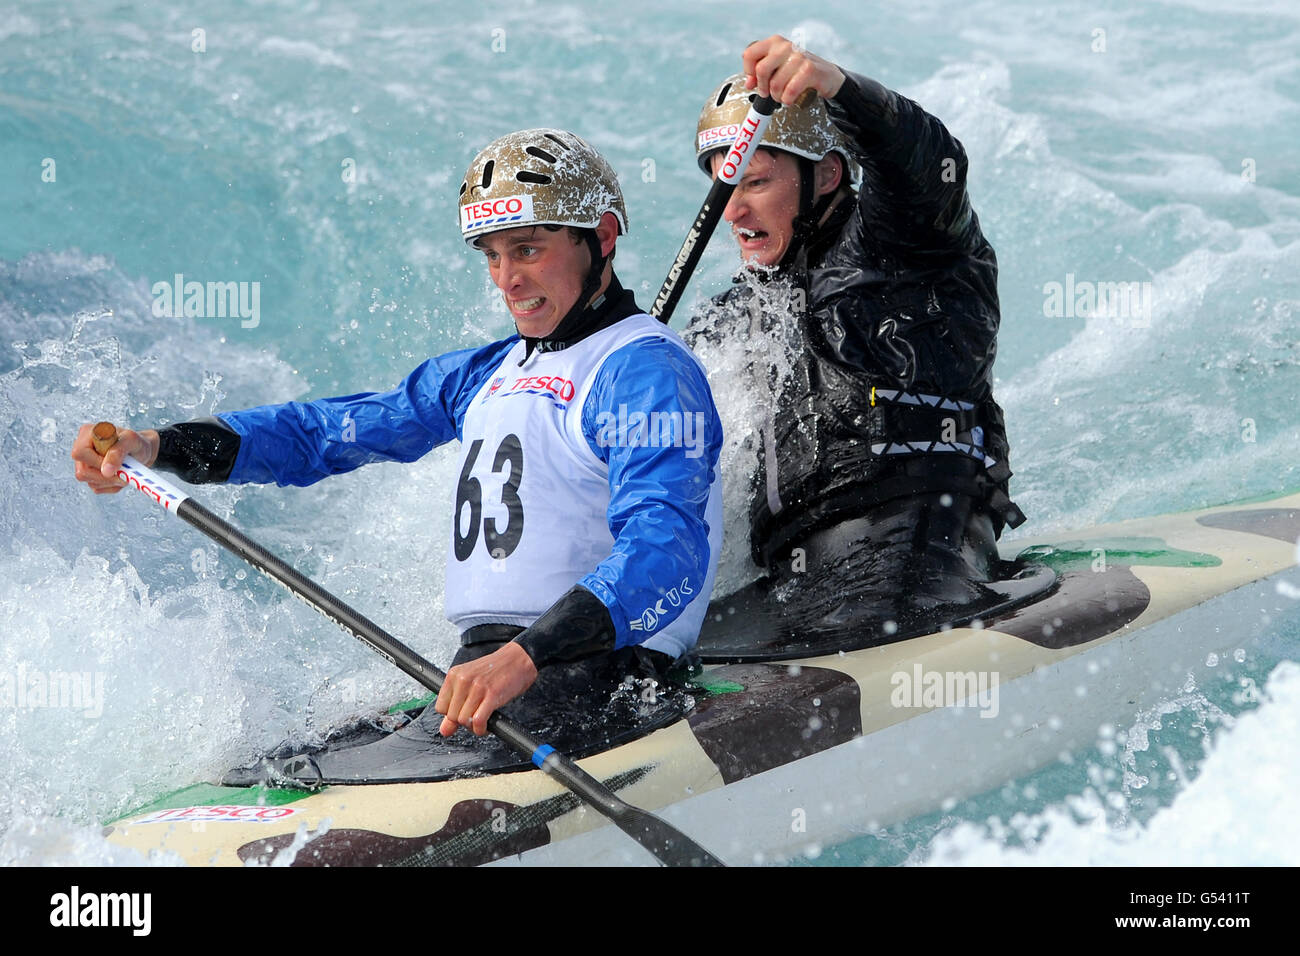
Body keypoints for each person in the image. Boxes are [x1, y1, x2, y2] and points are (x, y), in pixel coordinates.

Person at [72, 128, 724, 738]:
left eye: (527, 249)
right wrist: (160, 446)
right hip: (489, 674)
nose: (507, 280)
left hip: (602, 674)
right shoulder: (487, 371)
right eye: (493, 256)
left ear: (602, 237)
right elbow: (325, 434)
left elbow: (668, 548)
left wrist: (527, 656)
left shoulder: (647, 372)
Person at [685, 36, 1026, 655]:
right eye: (723, 187)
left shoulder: (906, 246)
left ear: (828, 175)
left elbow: (925, 163)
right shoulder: (734, 318)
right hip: (790, 578)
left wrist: (838, 86)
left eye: (755, 182)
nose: (732, 210)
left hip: (916, 540)